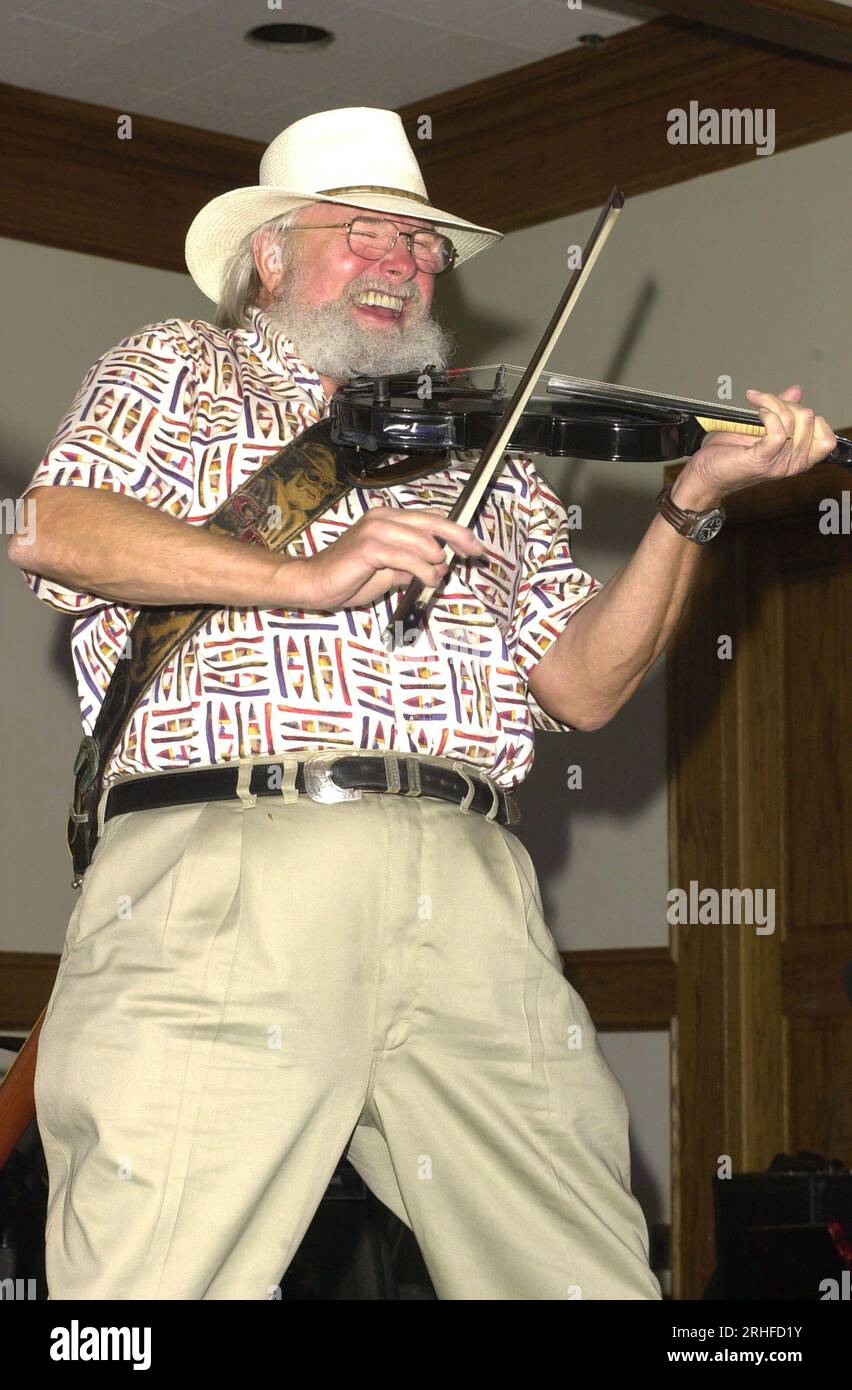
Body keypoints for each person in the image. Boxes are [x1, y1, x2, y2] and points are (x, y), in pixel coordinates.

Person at [6, 106, 836, 1301]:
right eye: (364, 233)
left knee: (587, 1272)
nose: (403, 262)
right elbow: (52, 527)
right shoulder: (176, 366)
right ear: (270, 258)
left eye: (423, 245)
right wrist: (301, 580)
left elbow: (586, 685)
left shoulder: (477, 450)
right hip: (231, 865)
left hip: (472, 890)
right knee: (151, 1286)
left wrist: (692, 505)